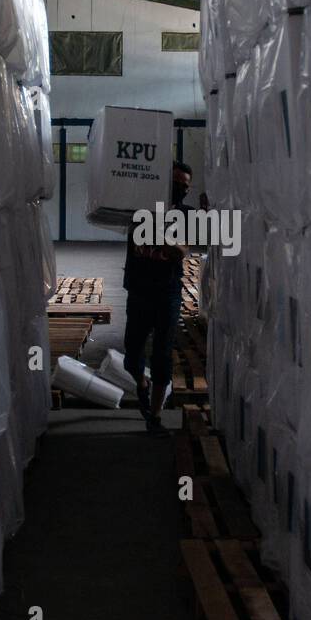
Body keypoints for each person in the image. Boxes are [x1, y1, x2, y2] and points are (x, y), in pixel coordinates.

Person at [122, 161, 206, 434]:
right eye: (176, 183)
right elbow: (138, 237)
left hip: (168, 292)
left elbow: (181, 251)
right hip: (138, 290)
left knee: (162, 356)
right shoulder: (139, 209)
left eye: (185, 186)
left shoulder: (185, 214)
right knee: (131, 356)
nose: (180, 189)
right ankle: (141, 383)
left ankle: (155, 417)